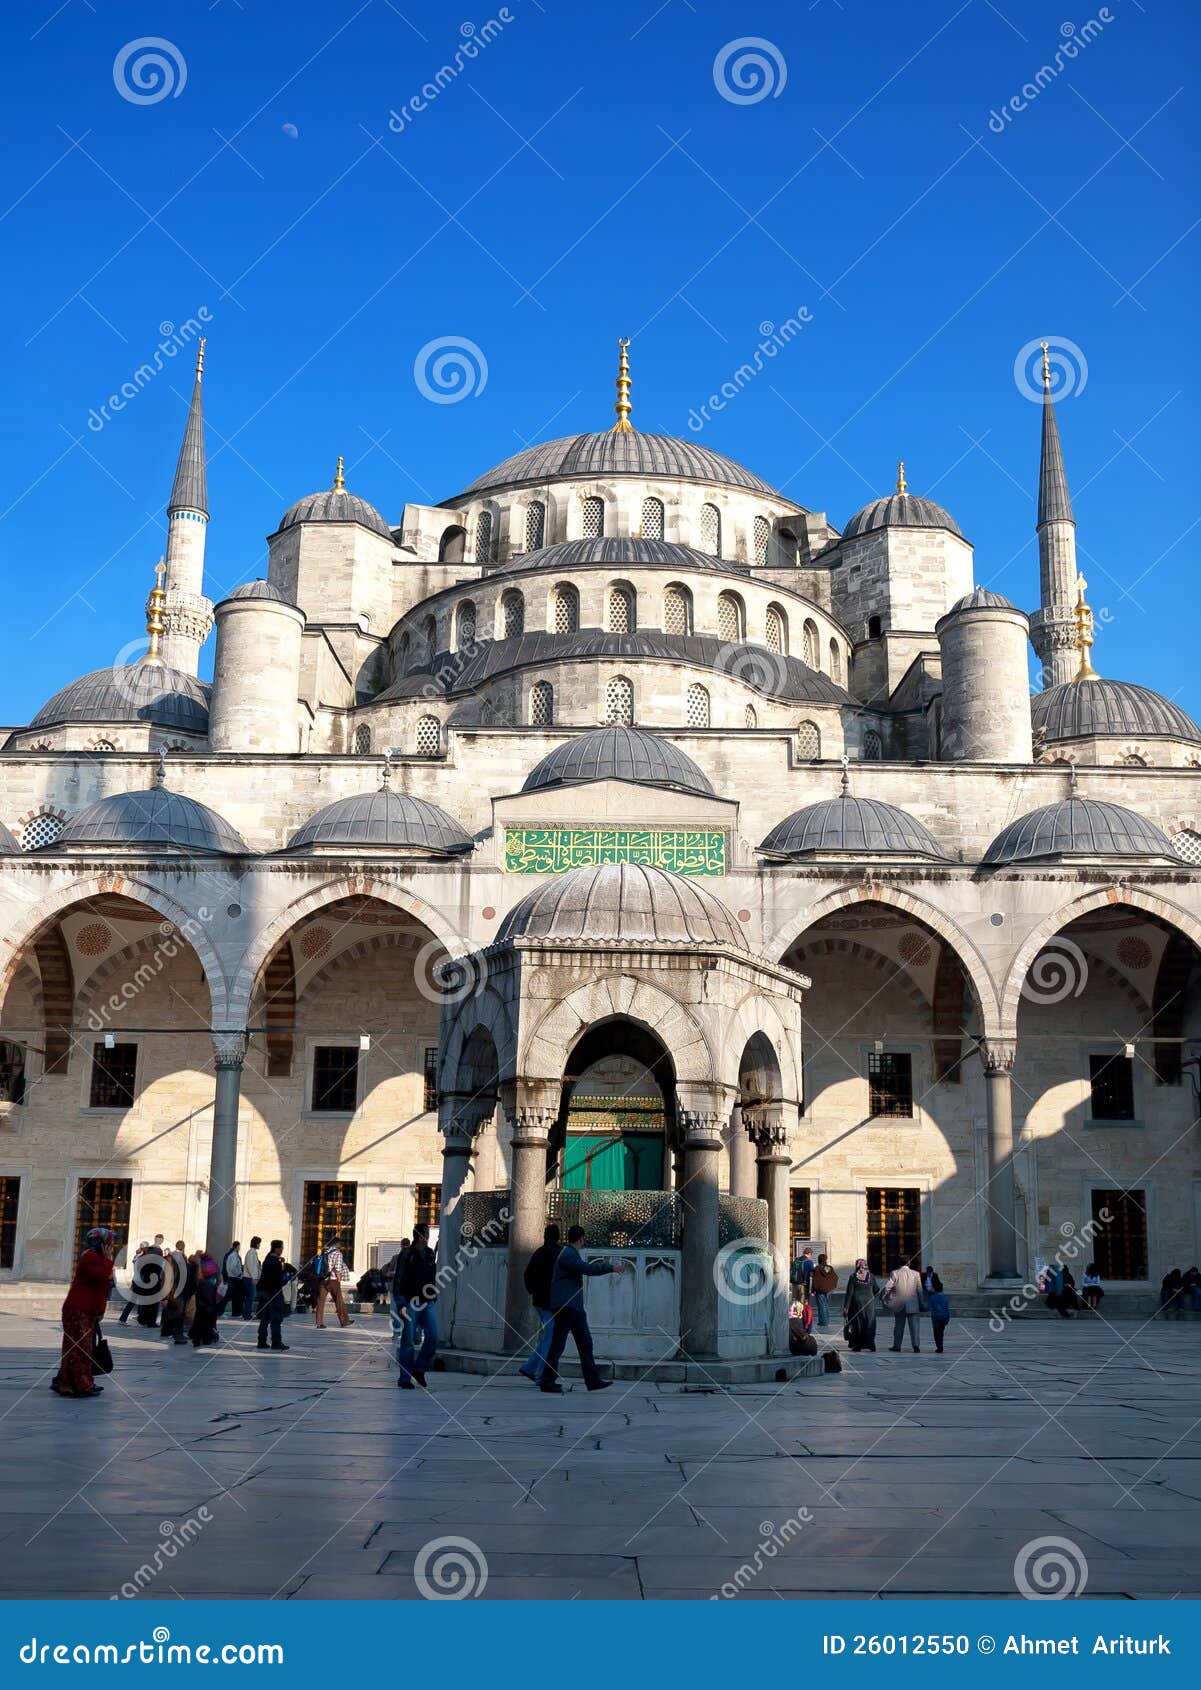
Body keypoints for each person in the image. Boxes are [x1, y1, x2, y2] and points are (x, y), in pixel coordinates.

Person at [539, 1226, 628, 1394]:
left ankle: (592, 1380)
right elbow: (586, 1269)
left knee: (585, 1343)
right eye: (584, 1238)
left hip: (574, 1307)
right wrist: (611, 1268)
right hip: (566, 1306)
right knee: (558, 1344)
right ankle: (547, 1380)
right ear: (581, 1238)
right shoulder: (567, 1254)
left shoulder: (569, 1253)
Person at [52, 1227, 116, 1398]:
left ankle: (66, 1383)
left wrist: (99, 1311)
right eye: (109, 1243)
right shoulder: (90, 1257)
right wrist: (109, 1260)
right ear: (101, 1243)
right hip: (78, 1308)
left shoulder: (97, 1258)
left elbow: (100, 1288)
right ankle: (81, 1384)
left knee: (76, 1347)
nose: (111, 1246)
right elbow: (100, 1277)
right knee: (81, 1348)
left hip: (86, 1309)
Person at [393, 1223, 438, 1388]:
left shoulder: (429, 1253)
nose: (428, 1237)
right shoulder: (407, 1254)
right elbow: (399, 1280)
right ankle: (404, 1378)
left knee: (433, 1336)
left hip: (428, 1302)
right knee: (408, 1340)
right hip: (410, 1302)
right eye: (426, 1234)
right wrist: (401, 1304)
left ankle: (419, 1369)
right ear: (420, 1236)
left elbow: (432, 1276)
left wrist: (434, 1294)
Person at [519, 1223, 562, 1384]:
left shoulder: (539, 1252)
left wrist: (533, 1292)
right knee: (550, 1337)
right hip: (552, 1302)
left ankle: (530, 1367)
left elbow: (527, 1274)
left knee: (548, 1336)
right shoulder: (559, 1253)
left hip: (540, 1301)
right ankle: (540, 1372)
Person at [256, 1241, 295, 1351]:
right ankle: (276, 1342)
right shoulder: (275, 1262)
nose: (282, 1250)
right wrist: (287, 1275)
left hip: (265, 1292)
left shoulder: (267, 1259)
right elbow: (279, 1280)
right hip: (274, 1292)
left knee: (265, 1317)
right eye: (281, 1248)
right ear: (277, 1249)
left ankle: (261, 1341)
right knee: (276, 1318)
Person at [314, 1235, 354, 1328]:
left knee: (320, 1301)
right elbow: (338, 1268)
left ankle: (319, 1323)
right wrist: (339, 1279)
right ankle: (344, 1321)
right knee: (338, 1300)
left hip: (323, 1279)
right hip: (333, 1280)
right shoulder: (337, 1253)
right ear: (337, 1244)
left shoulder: (325, 1252)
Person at [883, 1260, 922, 1352]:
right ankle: (916, 1346)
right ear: (909, 1263)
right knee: (915, 1327)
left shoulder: (895, 1273)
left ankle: (897, 1346)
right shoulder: (916, 1274)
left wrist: (885, 1297)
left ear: (899, 1263)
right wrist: (921, 1303)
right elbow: (920, 1290)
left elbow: (887, 1287)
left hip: (899, 1304)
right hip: (913, 1304)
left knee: (898, 1326)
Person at [842, 1259, 879, 1353]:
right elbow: (876, 1289)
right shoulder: (871, 1276)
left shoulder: (853, 1277)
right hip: (869, 1304)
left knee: (857, 1324)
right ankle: (870, 1345)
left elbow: (849, 1293)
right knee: (869, 1323)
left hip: (856, 1304)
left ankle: (857, 1345)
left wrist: (846, 1307)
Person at [160, 1240, 190, 1342]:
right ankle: (178, 1334)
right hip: (176, 1290)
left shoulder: (172, 1258)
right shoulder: (175, 1258)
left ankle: (167, 1331)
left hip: (175, 1290)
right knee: (178, 1313)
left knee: (172, 1311)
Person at [190, 1254, 222, 1347]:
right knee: (210, 1316)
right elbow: (219, 1279)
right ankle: (207, 1338)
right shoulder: (213, 1265)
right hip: (211, 1291)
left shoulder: (200, 1265)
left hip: (201, 1291)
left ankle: (196, 1338)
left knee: (199, 1315)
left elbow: (196, 1279)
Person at [118, 1242, 147, 1323]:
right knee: (134, 1301)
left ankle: (136, 1317)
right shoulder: (141, 1258)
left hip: (136, 1280)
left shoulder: (136, 1257)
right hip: (140, 1282)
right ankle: (123, 1319)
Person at [811, 1254, 838, 1328]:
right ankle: (826, 1320)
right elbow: (835, 1277)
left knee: (821, 1306)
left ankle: (823, 1322)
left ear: (819, 1259)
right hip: (829, 1290)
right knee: (826, 1305)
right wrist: (832, 1286)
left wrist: (813, 1290)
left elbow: (815, 1280)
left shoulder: (817, 1268)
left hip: (820, 1290)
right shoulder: (830, 1268)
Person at [927, 1274, 951, 1353]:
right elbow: (947, 1308)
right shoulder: (945, 1297)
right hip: (944, 1317)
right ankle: (940, 1346)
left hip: (936, 1318)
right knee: (941, 1332)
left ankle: (939, 1347)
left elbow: (930, 1307)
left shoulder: (933, 1297)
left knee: (936, 1333)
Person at [220, 1241, 243, 1317]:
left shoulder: (232, 1255)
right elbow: (233, 1267)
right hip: (233, 1278)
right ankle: (221, 1311)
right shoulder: (233, 1255)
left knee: (234, 1296)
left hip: (232, 1278)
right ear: (237, 1247)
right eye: (239, 1246)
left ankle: (236, 1312)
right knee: (228, 1296)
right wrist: (238, 1273)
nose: (240, 1248)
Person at [242, 1237, 262, 1319]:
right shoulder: (251, 1253)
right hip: (250, 1278)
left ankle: (247, 1313)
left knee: (250, 1297)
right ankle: (247, 1314)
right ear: (256, 1244)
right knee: (250, 1297)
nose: (260, 1245)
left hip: (251, 1278)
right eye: (259, 1243)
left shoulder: (253, 1253)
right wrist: (254, 1278)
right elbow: (251, 1266)